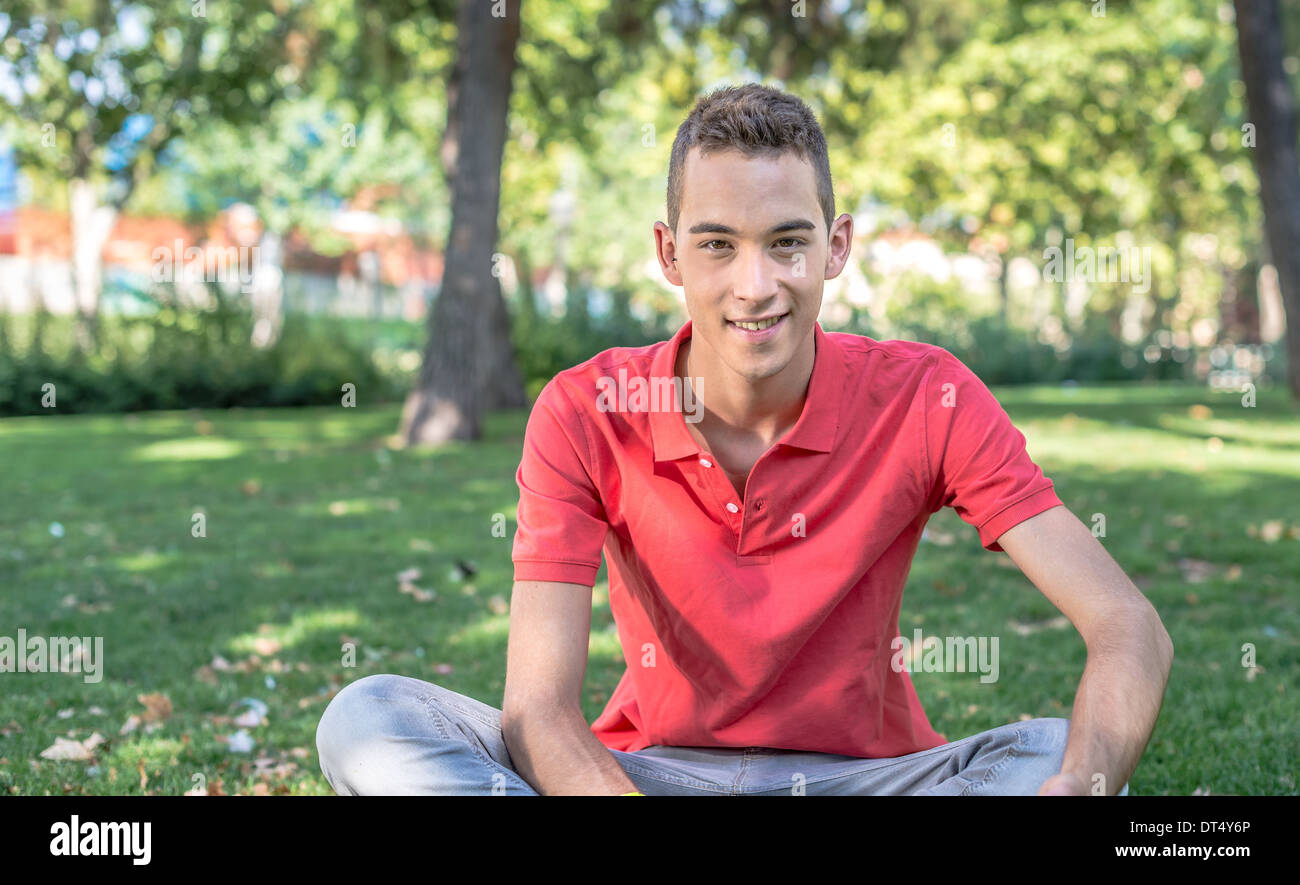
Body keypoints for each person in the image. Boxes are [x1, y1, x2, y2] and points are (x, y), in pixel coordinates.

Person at [316, 83, 1172, 796]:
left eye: (787, 243)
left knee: (1058, 755)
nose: (754, 286)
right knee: (370, 717)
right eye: (718, 245)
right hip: (646, 775)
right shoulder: (586, 408)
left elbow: (1129, 627)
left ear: (835, 248)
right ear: (669, 252)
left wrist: (1081, 782)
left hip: (863, 779)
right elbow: (537, 711)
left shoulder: (926, 394)